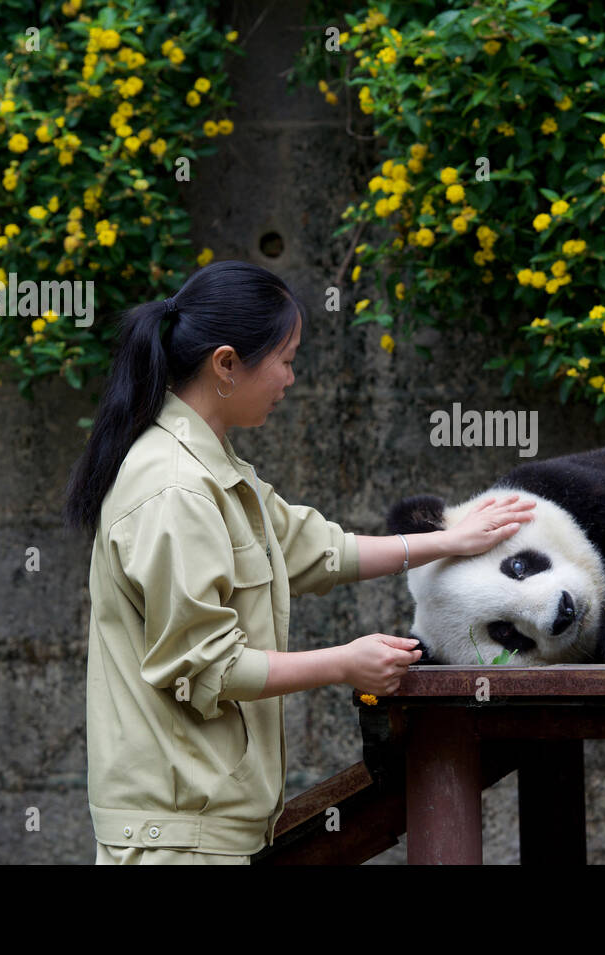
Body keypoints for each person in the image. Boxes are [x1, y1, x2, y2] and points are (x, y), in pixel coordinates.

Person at [61, 260, 535, 864]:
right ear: (226, 364)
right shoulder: (174, 488)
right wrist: (347, 663)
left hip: (210, 834)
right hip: (178, 843)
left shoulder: (214, 467)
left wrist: (448, 541)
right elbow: (207, 667)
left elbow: (320, 550)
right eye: (285, 358)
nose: (290, 377)